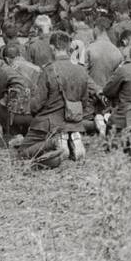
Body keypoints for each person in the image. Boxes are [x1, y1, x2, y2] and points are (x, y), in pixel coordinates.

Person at [14, 31, 90, 169]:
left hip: (49, 124)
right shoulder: (81, 70)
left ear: (53, 48)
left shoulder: (49, 69)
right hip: (74, 122)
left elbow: (37, 105)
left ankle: (54, 142)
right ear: (68, 48)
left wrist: (27, 104)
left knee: (22, 154)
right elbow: (84, 101)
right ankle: (70, 139)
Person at [0, 42, 40, 140]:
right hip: (35, 114)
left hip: (16, 116)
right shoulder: (37, 69)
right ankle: (28, 132)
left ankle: (16, 134)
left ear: (6, 59)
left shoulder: (6, 70)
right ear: (19, 55)